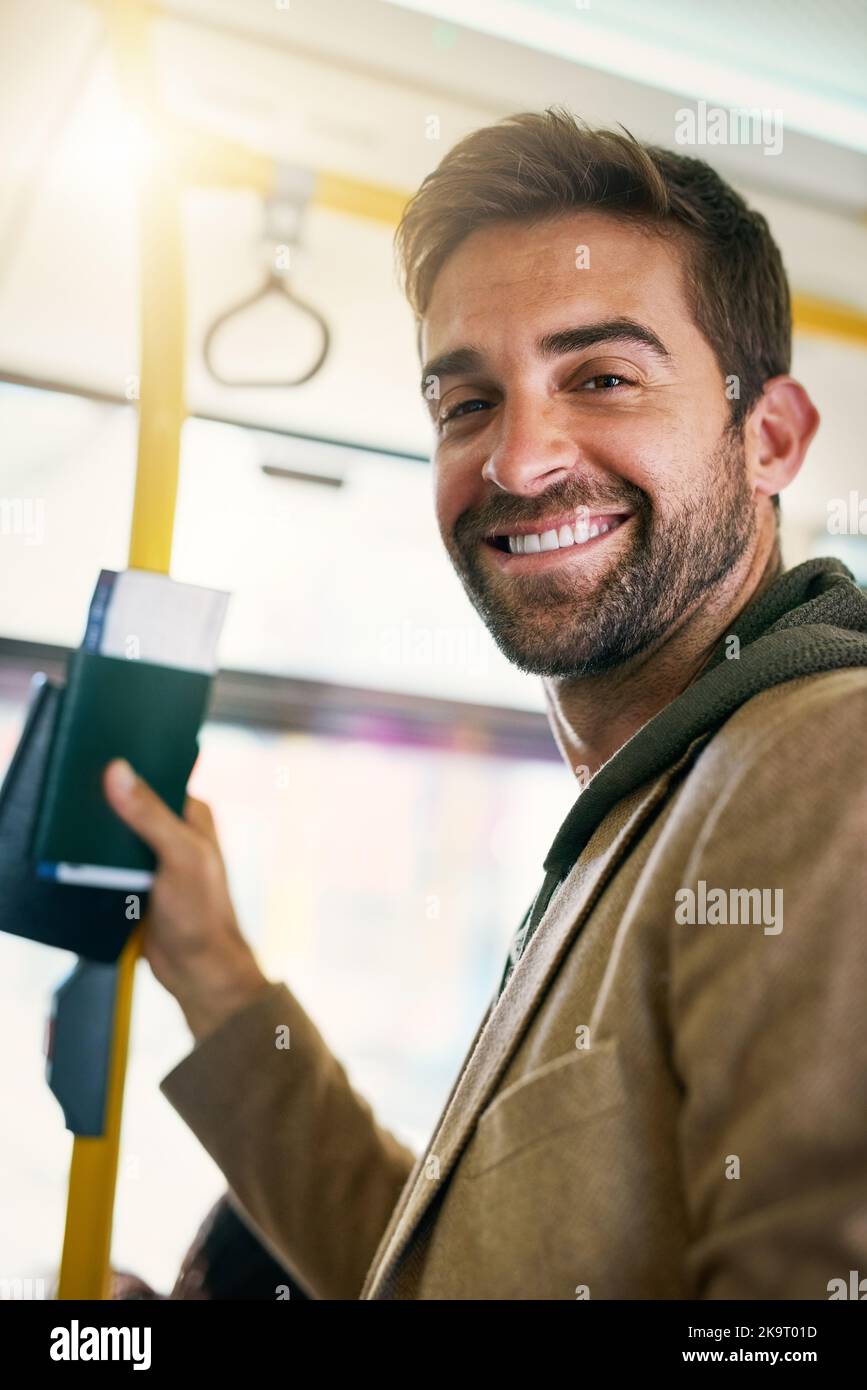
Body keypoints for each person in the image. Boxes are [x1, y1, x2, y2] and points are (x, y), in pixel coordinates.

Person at [103, 108, 867, 1300]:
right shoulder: (641, 815)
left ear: (768, 437)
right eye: (467, 404)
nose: (518, 460)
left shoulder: (820, 756)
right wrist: (214, 972)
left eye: (603, 377)